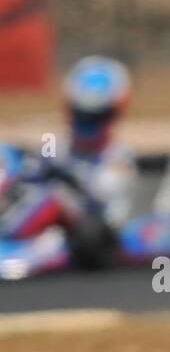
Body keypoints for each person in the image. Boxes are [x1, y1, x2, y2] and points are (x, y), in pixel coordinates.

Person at [0, 56, 137, 266]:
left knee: (56, 196)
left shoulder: (118, 159)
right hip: (37, 207)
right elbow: (33, 167)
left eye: (95, 117)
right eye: (81, 114)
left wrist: (65, 175)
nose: (86, 123)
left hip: (88, 225)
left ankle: (6, 231)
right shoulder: (59, 144)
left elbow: (102, 195)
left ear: (114, 112)